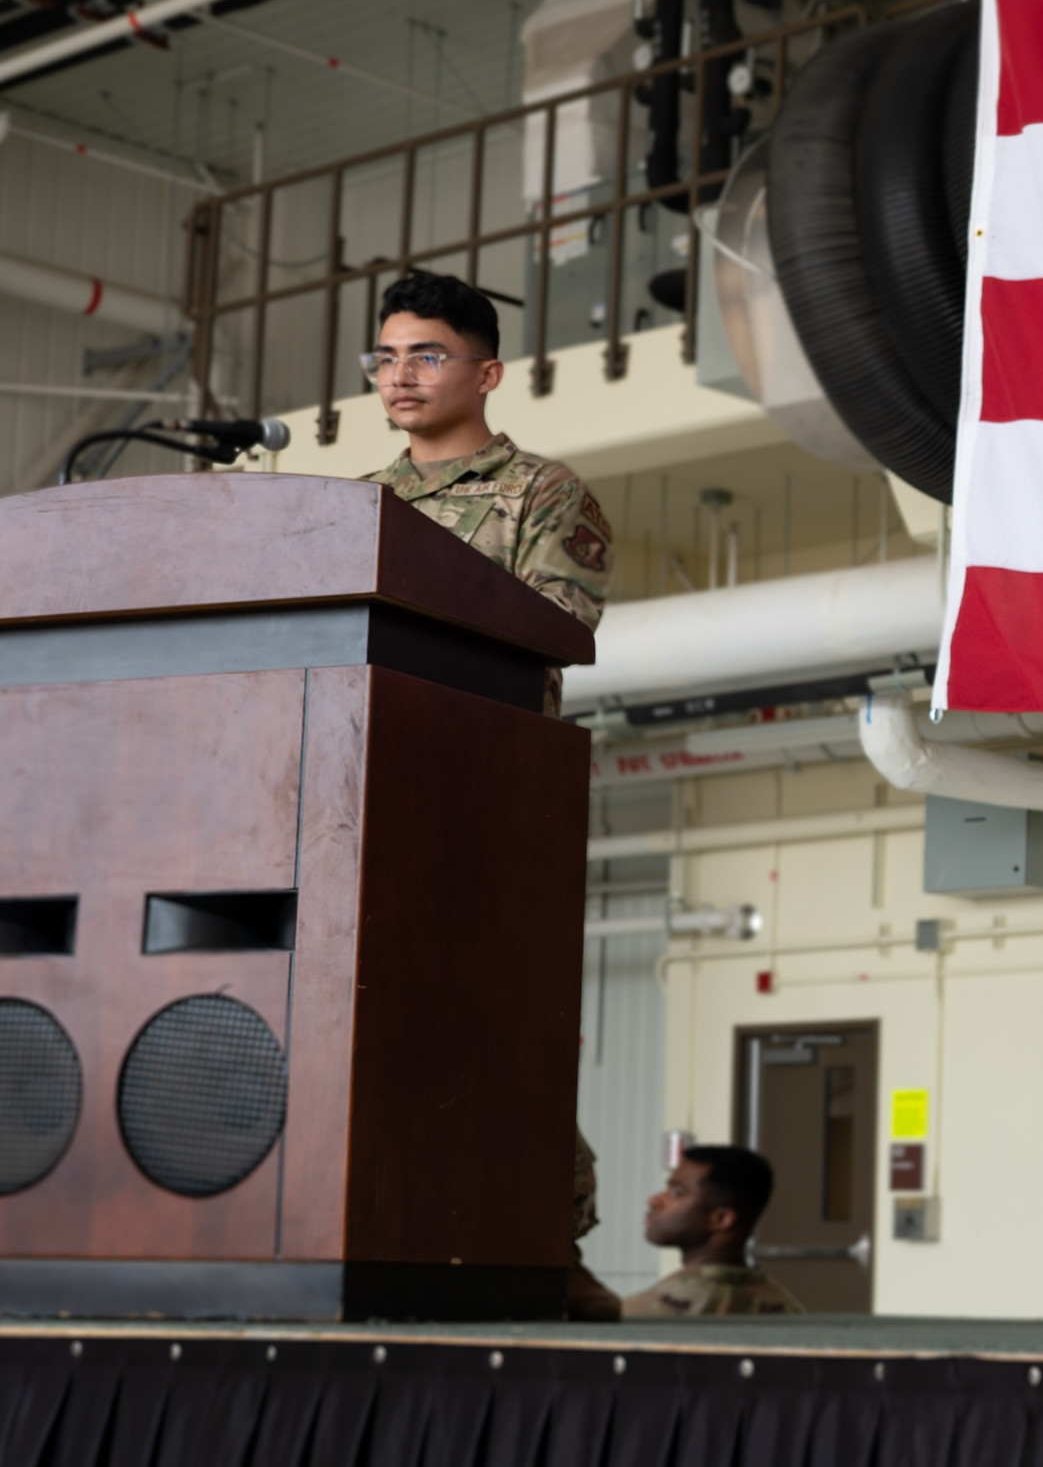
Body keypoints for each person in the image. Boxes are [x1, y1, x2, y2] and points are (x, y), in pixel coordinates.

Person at [360, 268, 622, 1321]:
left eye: (425, 354)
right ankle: (382, 1227)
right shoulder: (351, 511)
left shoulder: (541, 493)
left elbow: (553, 625)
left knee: (503, 1019)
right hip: (363, 790)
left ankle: (550, 1236)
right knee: (377, 1022)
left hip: (489, 790)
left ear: (487, 372)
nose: (399, 375)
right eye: (385, 356)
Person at [622, 1145, 800, 1318]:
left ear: (721, 1219)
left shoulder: (647, 1312)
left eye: (677, 1192)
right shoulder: (788, 1309)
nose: (653, 1200)